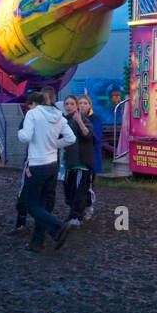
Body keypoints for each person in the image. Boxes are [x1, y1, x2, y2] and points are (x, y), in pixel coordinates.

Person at [17, 91, 76, 252]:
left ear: (36, 102)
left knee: (31, 205)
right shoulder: (59, 116)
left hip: (37, 164)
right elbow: (71, 138)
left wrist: (19, 132)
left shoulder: (33, 114)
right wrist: (54, 144)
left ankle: (58, 227)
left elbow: (25, 137)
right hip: (52, 164)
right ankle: (38, 242)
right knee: (42, 205)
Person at [61, 95, 97, 226]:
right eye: (67, 104)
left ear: (76, 106)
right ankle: (74, 213)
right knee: (69, 191)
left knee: (79, 191)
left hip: (81, 162)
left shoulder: (84, 119)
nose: (69, 106)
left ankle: (76, 216)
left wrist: (80, 122)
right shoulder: (64, 120)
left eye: (72, 104)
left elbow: (89, 135)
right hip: (68, 162)